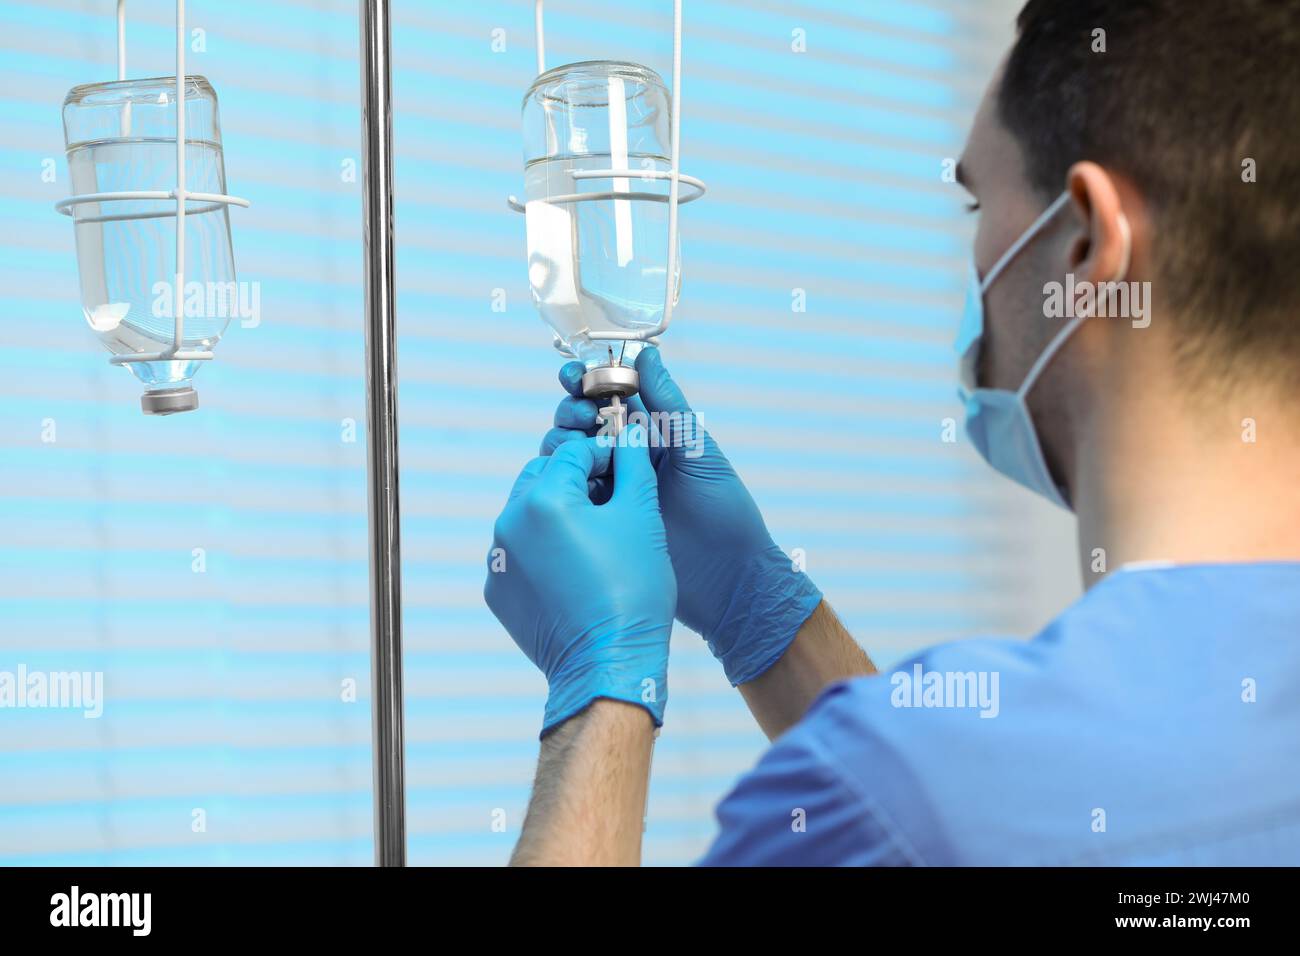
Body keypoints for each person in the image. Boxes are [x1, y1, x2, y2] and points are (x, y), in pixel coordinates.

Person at [483, 0, 1300, 865]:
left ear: (1088, 243)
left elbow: (924, 813)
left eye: (976, 203)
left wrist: (602, 687)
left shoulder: (888, 794)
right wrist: (760, 609)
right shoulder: (950, 786)